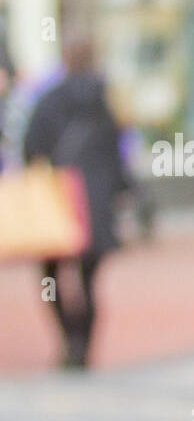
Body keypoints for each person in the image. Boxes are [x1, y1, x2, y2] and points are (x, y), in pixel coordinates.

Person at [23, 39, 132, 369]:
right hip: (95, 205)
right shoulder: (107, 100)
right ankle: (84, 344)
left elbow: (31, 149)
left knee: (49, 276)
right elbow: (119, 154)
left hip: (58, 201)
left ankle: (69, 339)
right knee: (88, 280)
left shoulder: (49, 100)